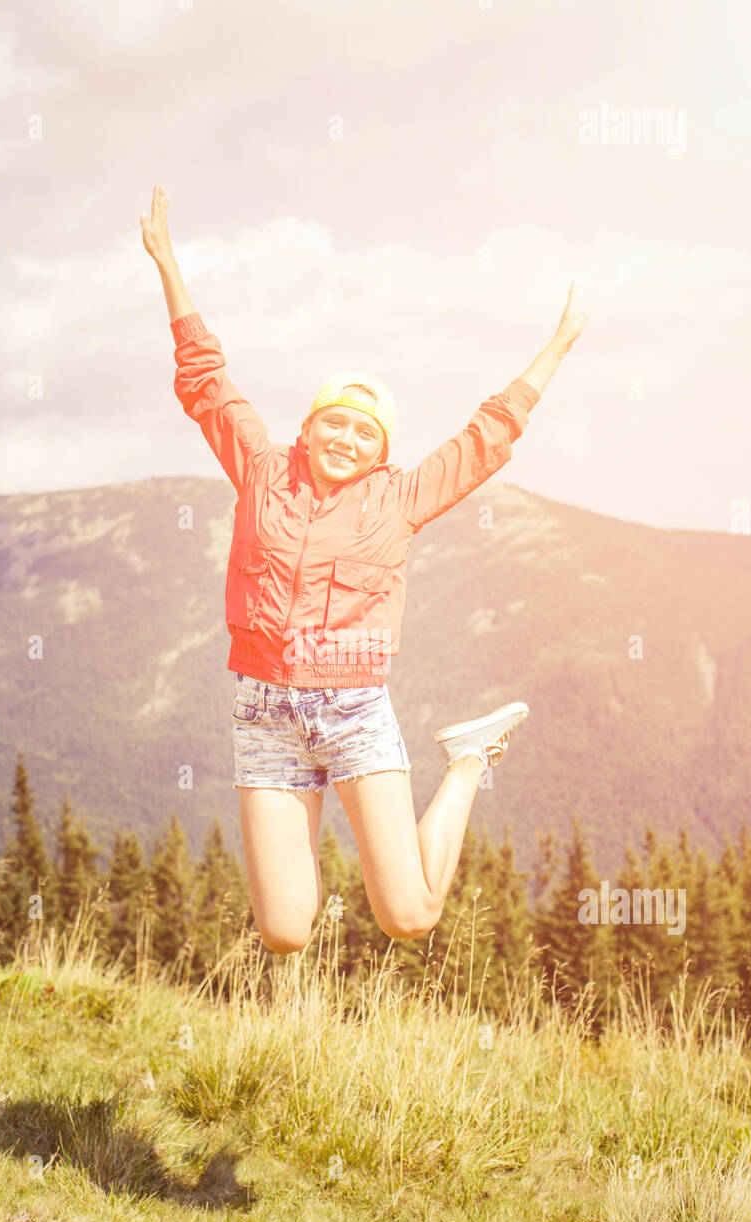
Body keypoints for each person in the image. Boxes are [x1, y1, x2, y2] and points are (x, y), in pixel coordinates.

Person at [141, 184, 586, 954]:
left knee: (408, 917)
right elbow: (205, 379)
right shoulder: (259, 467)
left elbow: (486, 436)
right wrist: (168, 267)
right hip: (264, 712)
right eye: (333, 422)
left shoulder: (404, 497)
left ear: (382, 449)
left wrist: (556, 347)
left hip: (352, 711)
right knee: (284, 933)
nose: (346, 438)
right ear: (308, 427)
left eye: (364, 431)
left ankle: (470, 761)